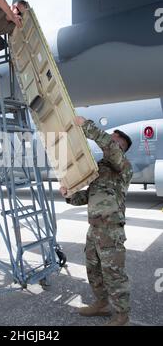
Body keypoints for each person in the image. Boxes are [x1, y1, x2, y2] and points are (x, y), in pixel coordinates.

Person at [60, 116, 133, 326]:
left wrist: (88, 127)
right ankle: (101, 303)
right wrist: (69, 195)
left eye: (114, 138)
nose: (109, 139)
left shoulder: (124, 168)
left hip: (111, 231)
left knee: (114, 274)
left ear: (120, 146)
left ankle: (122, 315)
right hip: (94, 229)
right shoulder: (99, 169)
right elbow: (87, 197)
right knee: (93, 270)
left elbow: (110, 148)